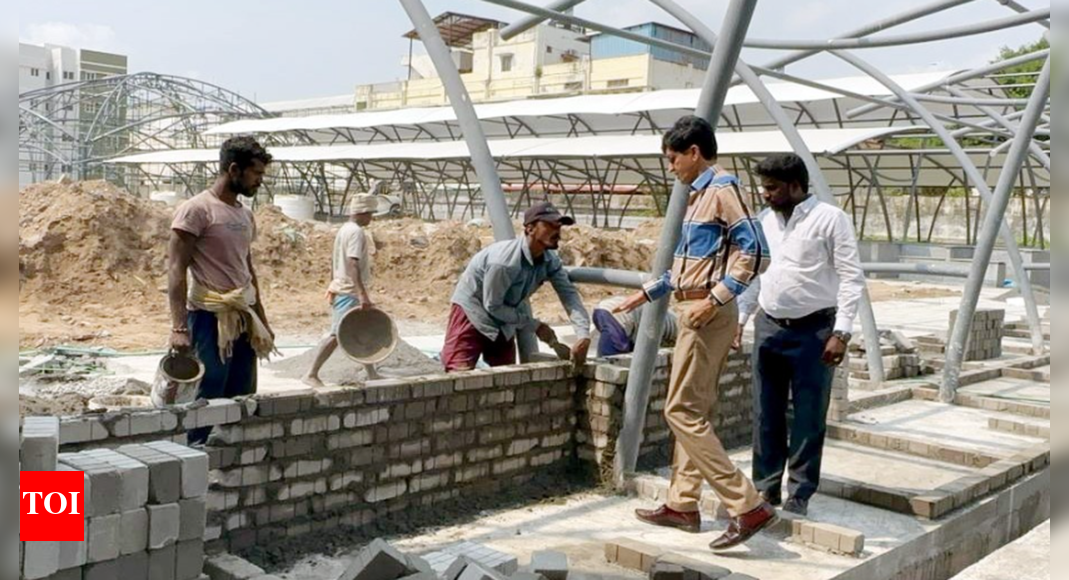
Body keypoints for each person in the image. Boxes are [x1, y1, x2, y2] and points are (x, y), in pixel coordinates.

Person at [615, 116, 776, 551]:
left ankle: (746, 506)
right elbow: (688, 267)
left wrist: (716, 299)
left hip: (706, 314)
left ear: (693, 152)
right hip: (695, 306)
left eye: (673, 159)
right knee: (693, 412)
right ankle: (683, 504)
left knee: (680, 411)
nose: (671, 168)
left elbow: (756, 251)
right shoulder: (698, 198)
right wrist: (645, 295)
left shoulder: (722, 190)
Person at [737, 154, 866, 517]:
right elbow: (757, 273)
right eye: (764, 187)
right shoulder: (766, 221)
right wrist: (743, 317)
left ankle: (800, 492)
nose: (766, 195)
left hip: (815, 330)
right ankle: (765, 488)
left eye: (772, 188)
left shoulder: (830, 219)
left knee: (809, 415)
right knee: (766, 413)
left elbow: (851, 277)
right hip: (769, 326)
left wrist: (841, 332)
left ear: (795, 186)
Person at [169, 136, 276, 446]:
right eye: (256, 174)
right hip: (207, 319)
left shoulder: (245, 215)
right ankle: (194, 458)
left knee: (241, 394)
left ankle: (231, 464)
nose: (260, 181)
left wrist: (262, 321)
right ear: (233, 169)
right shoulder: (196, 211)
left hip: (242, 319)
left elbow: (248, 271)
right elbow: (176, 270)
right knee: (207, 395)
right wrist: (178, 328)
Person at [443, 202, 592, 372]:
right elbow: (492, 305)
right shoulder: (504, 262)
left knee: (507, 375)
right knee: (458, 374)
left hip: (505, 316)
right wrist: (536, 326)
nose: (556, 231)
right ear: (530, 229)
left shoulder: (550, 261)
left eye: (559, 226)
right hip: (473, 313)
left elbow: (569, 295)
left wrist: (583, 335)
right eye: (549, 225)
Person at [303, 194, 381, 388]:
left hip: (343, 287)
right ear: (363, 213)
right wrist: (362, 294)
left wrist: (333, 283)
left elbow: (335, 262)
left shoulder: (344, 229)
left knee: (361, 331)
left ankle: (372, 373)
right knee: (338, 334)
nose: (371, 218)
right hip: (348, 291)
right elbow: (352, 263)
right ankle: (311, 373)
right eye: (370, 214)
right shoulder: (356, 232)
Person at [592, 296, 679, 357]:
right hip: (617, 315)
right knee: (611, 362)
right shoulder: (675, 329)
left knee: (617, 359)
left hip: (606, 310)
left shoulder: (671, 319)